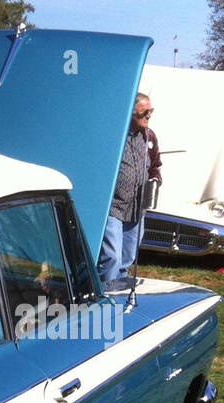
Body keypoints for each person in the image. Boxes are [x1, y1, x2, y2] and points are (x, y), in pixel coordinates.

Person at [99, 92, 161, 285]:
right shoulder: (113, 137)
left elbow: (155, 165)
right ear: (130, 113)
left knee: (126, 260)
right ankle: (103, 299)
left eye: (151, 111)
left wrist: (155, 181)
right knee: (111, 258)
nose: (149, 116)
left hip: (137, 209)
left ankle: (118, 298)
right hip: (114, 208)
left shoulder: (149, 136)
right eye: (144, 113)